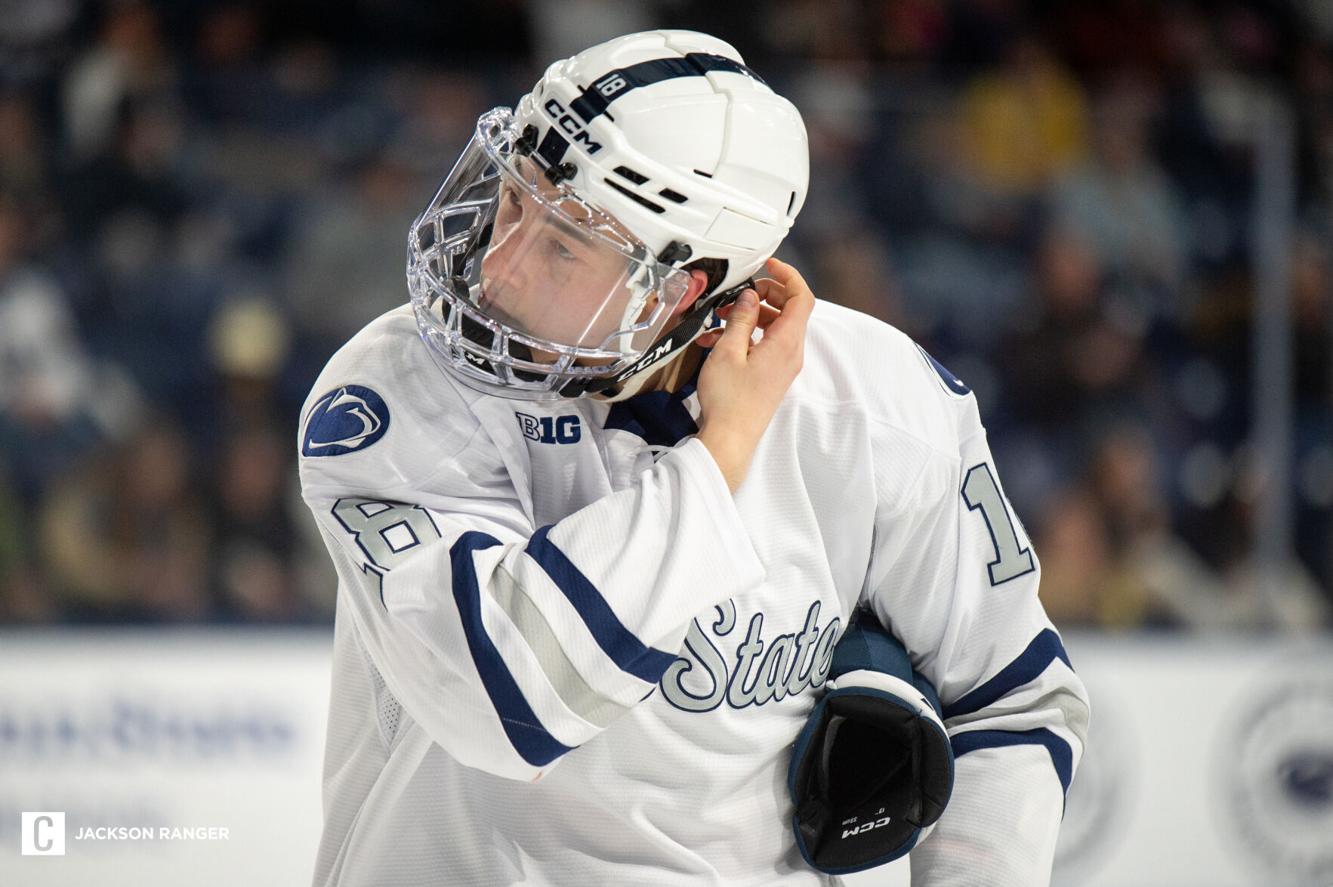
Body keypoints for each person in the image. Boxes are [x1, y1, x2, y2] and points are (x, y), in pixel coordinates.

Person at [299, 30, 1090, 886]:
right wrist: (721, 457)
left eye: (562, 244)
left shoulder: (877, 406)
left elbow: (1010, 700)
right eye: (513, 201)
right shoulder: (393, 390)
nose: (497, 265)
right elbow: (504, 698)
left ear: (677, 288)